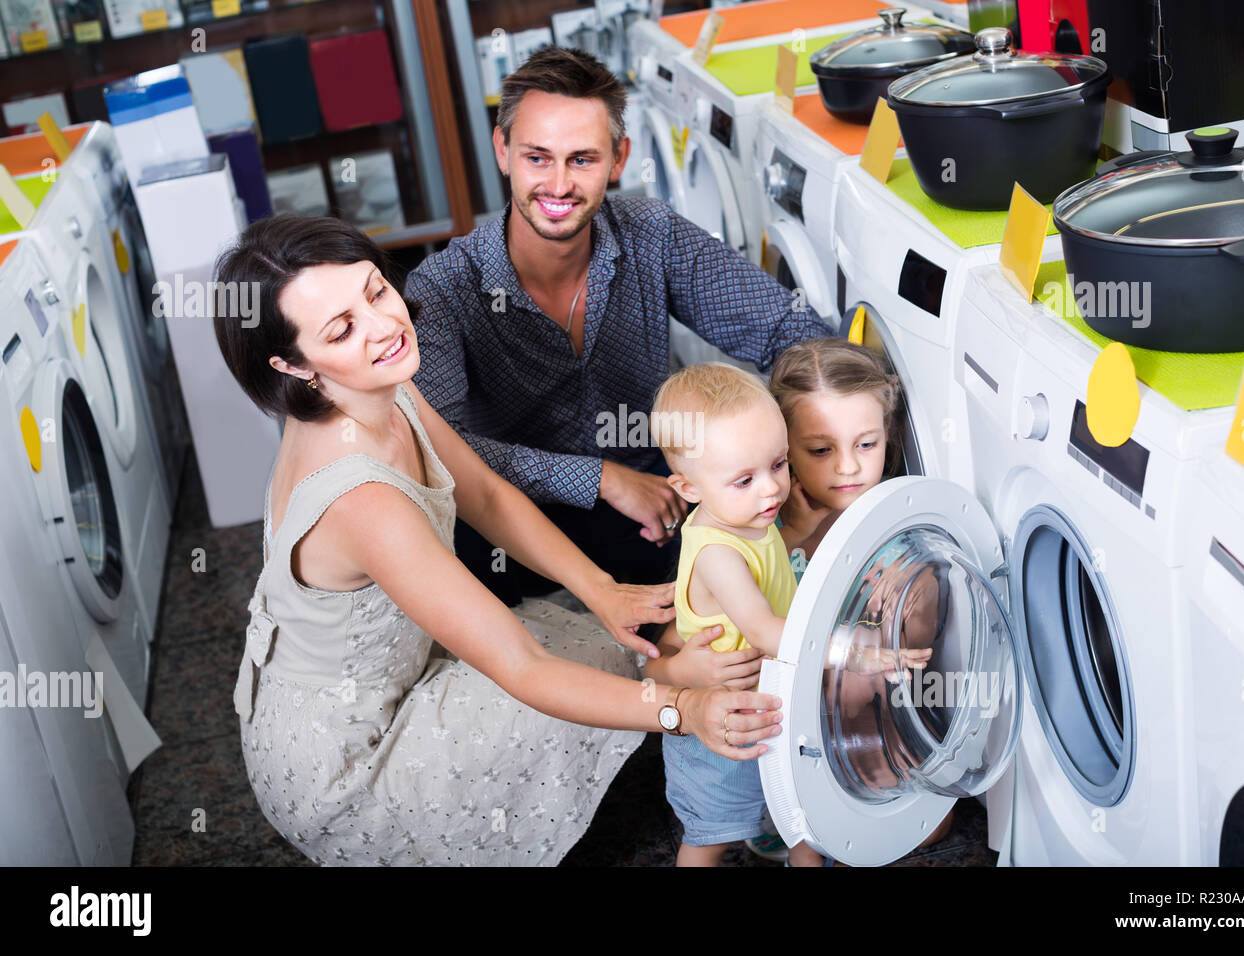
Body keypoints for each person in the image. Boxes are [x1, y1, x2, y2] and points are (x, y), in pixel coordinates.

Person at [213, 215, 783, 866]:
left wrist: (604, 592)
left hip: (383, 671)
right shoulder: (359, 499)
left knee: (587, 644)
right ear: (291, 365)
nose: (383, 327)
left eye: (375, 291)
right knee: (554, 686)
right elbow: (522, 670)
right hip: (345, 763)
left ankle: (652, 677)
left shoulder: (378, 386)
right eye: (341, 330)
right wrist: (686, 710)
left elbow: (481, 494)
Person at [404, 47, 828, 606]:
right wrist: (599, 478)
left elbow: (793, 331)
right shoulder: (442, 287)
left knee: (737, 630)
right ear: (503, 151)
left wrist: (772, 455)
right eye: (538, 158)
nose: (557, 185)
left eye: (582, 159)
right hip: (507, 521)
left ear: (620, 157)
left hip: (659, 501)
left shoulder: (650, 233)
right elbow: (434, 448)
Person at [641, 363, 827, 867]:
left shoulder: (747, 515)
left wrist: (795, 531)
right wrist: (847, 644)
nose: (771, 489)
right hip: (718, 729)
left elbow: (765, 571)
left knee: (803, 814)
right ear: (689, 488)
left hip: (763, 702)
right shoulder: (716, 553)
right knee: (711, 834)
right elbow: (766, 629)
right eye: (745, 478)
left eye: (779, 464)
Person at [770, 337, 951, 845]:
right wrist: (791, 536)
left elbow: (912, 649)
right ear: (783, 448)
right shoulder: (766, 524)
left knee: (929, 827)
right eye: (821, 450)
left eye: (865, 445)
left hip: (864, 722)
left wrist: (906, 594)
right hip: (782, 723)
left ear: (889, 437)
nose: (847, 467)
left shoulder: (897, 528)